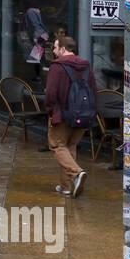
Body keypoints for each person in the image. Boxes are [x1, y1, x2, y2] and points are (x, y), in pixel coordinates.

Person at [43, 35, 96, 198]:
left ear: (63, 49)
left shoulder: (57, 67)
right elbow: (94, 91)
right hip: (83, 115)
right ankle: (66, 186)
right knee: (70, 146)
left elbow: (51, 93)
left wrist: (51, 112)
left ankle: (77, 173)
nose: (53, 50)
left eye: (56, 47)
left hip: (62, 114)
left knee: (57, 145)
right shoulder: (86, 66)